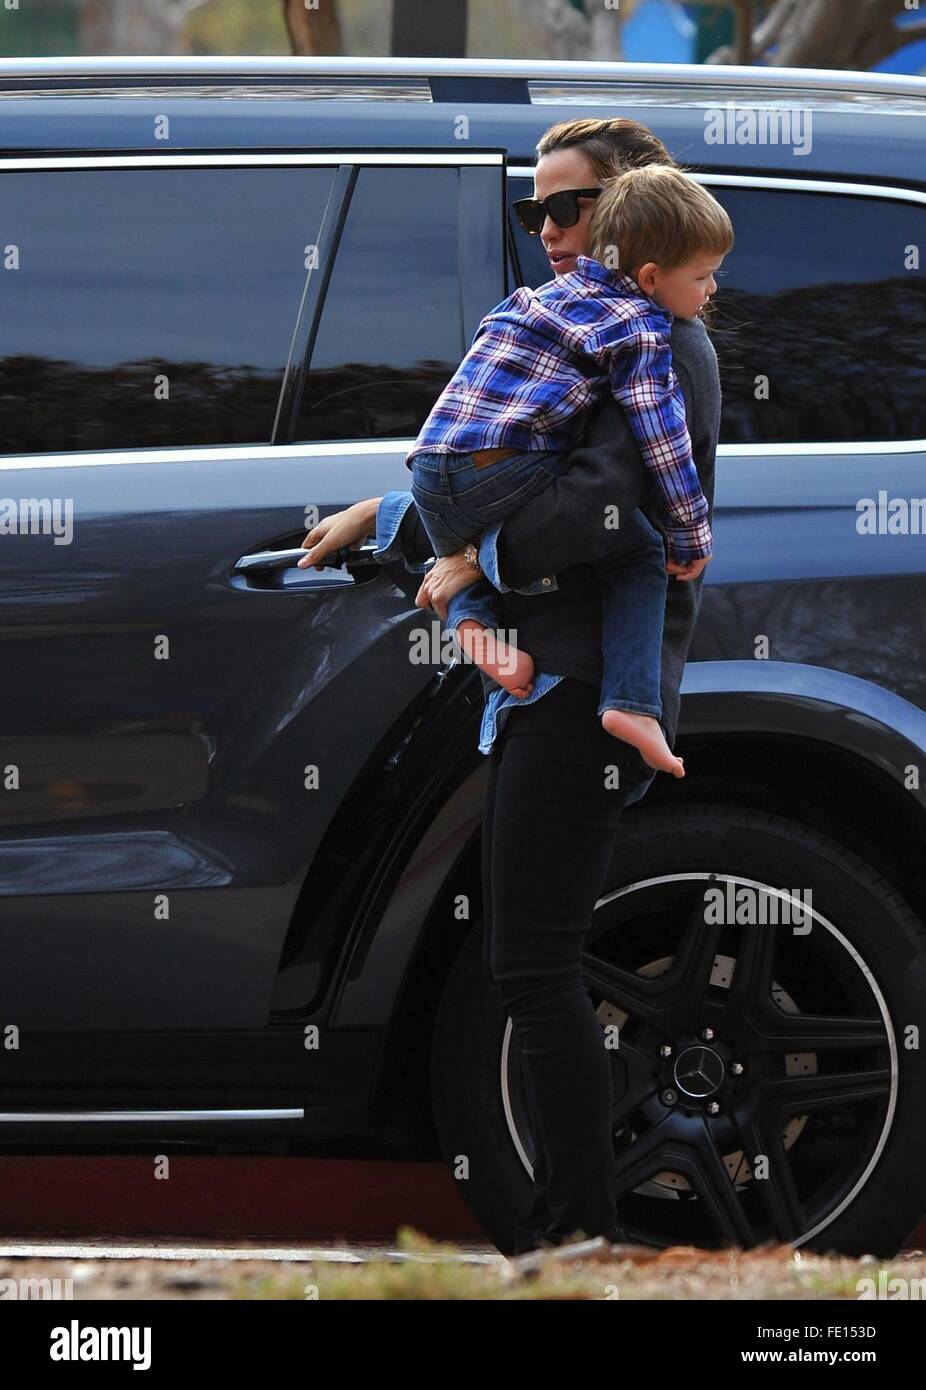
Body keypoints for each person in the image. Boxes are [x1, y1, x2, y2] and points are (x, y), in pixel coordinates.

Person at [298, 118, 722, 1255]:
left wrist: (464, 561)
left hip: (585, 684)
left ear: (634, 210)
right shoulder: (584, 333)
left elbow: (593, 511)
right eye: (533, 209)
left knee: (532, 966)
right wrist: (388, 516)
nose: (544, 230)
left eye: (567, 206)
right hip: (549, 685)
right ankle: (562, 1234)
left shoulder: (660, 343)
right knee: (532, 964)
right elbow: (513, 472)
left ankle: (568, 1240)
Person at [403, 164, 732, 778]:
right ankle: (633, 703)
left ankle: (473, 626)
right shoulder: (642, 328)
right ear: (652, 277)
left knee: (461, 547)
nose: (711, 293)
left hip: (432, 470)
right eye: (704, 277)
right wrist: (690, 532)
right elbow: (657, 435)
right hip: (499, 473)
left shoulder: (538, 298)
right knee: (639, 551)